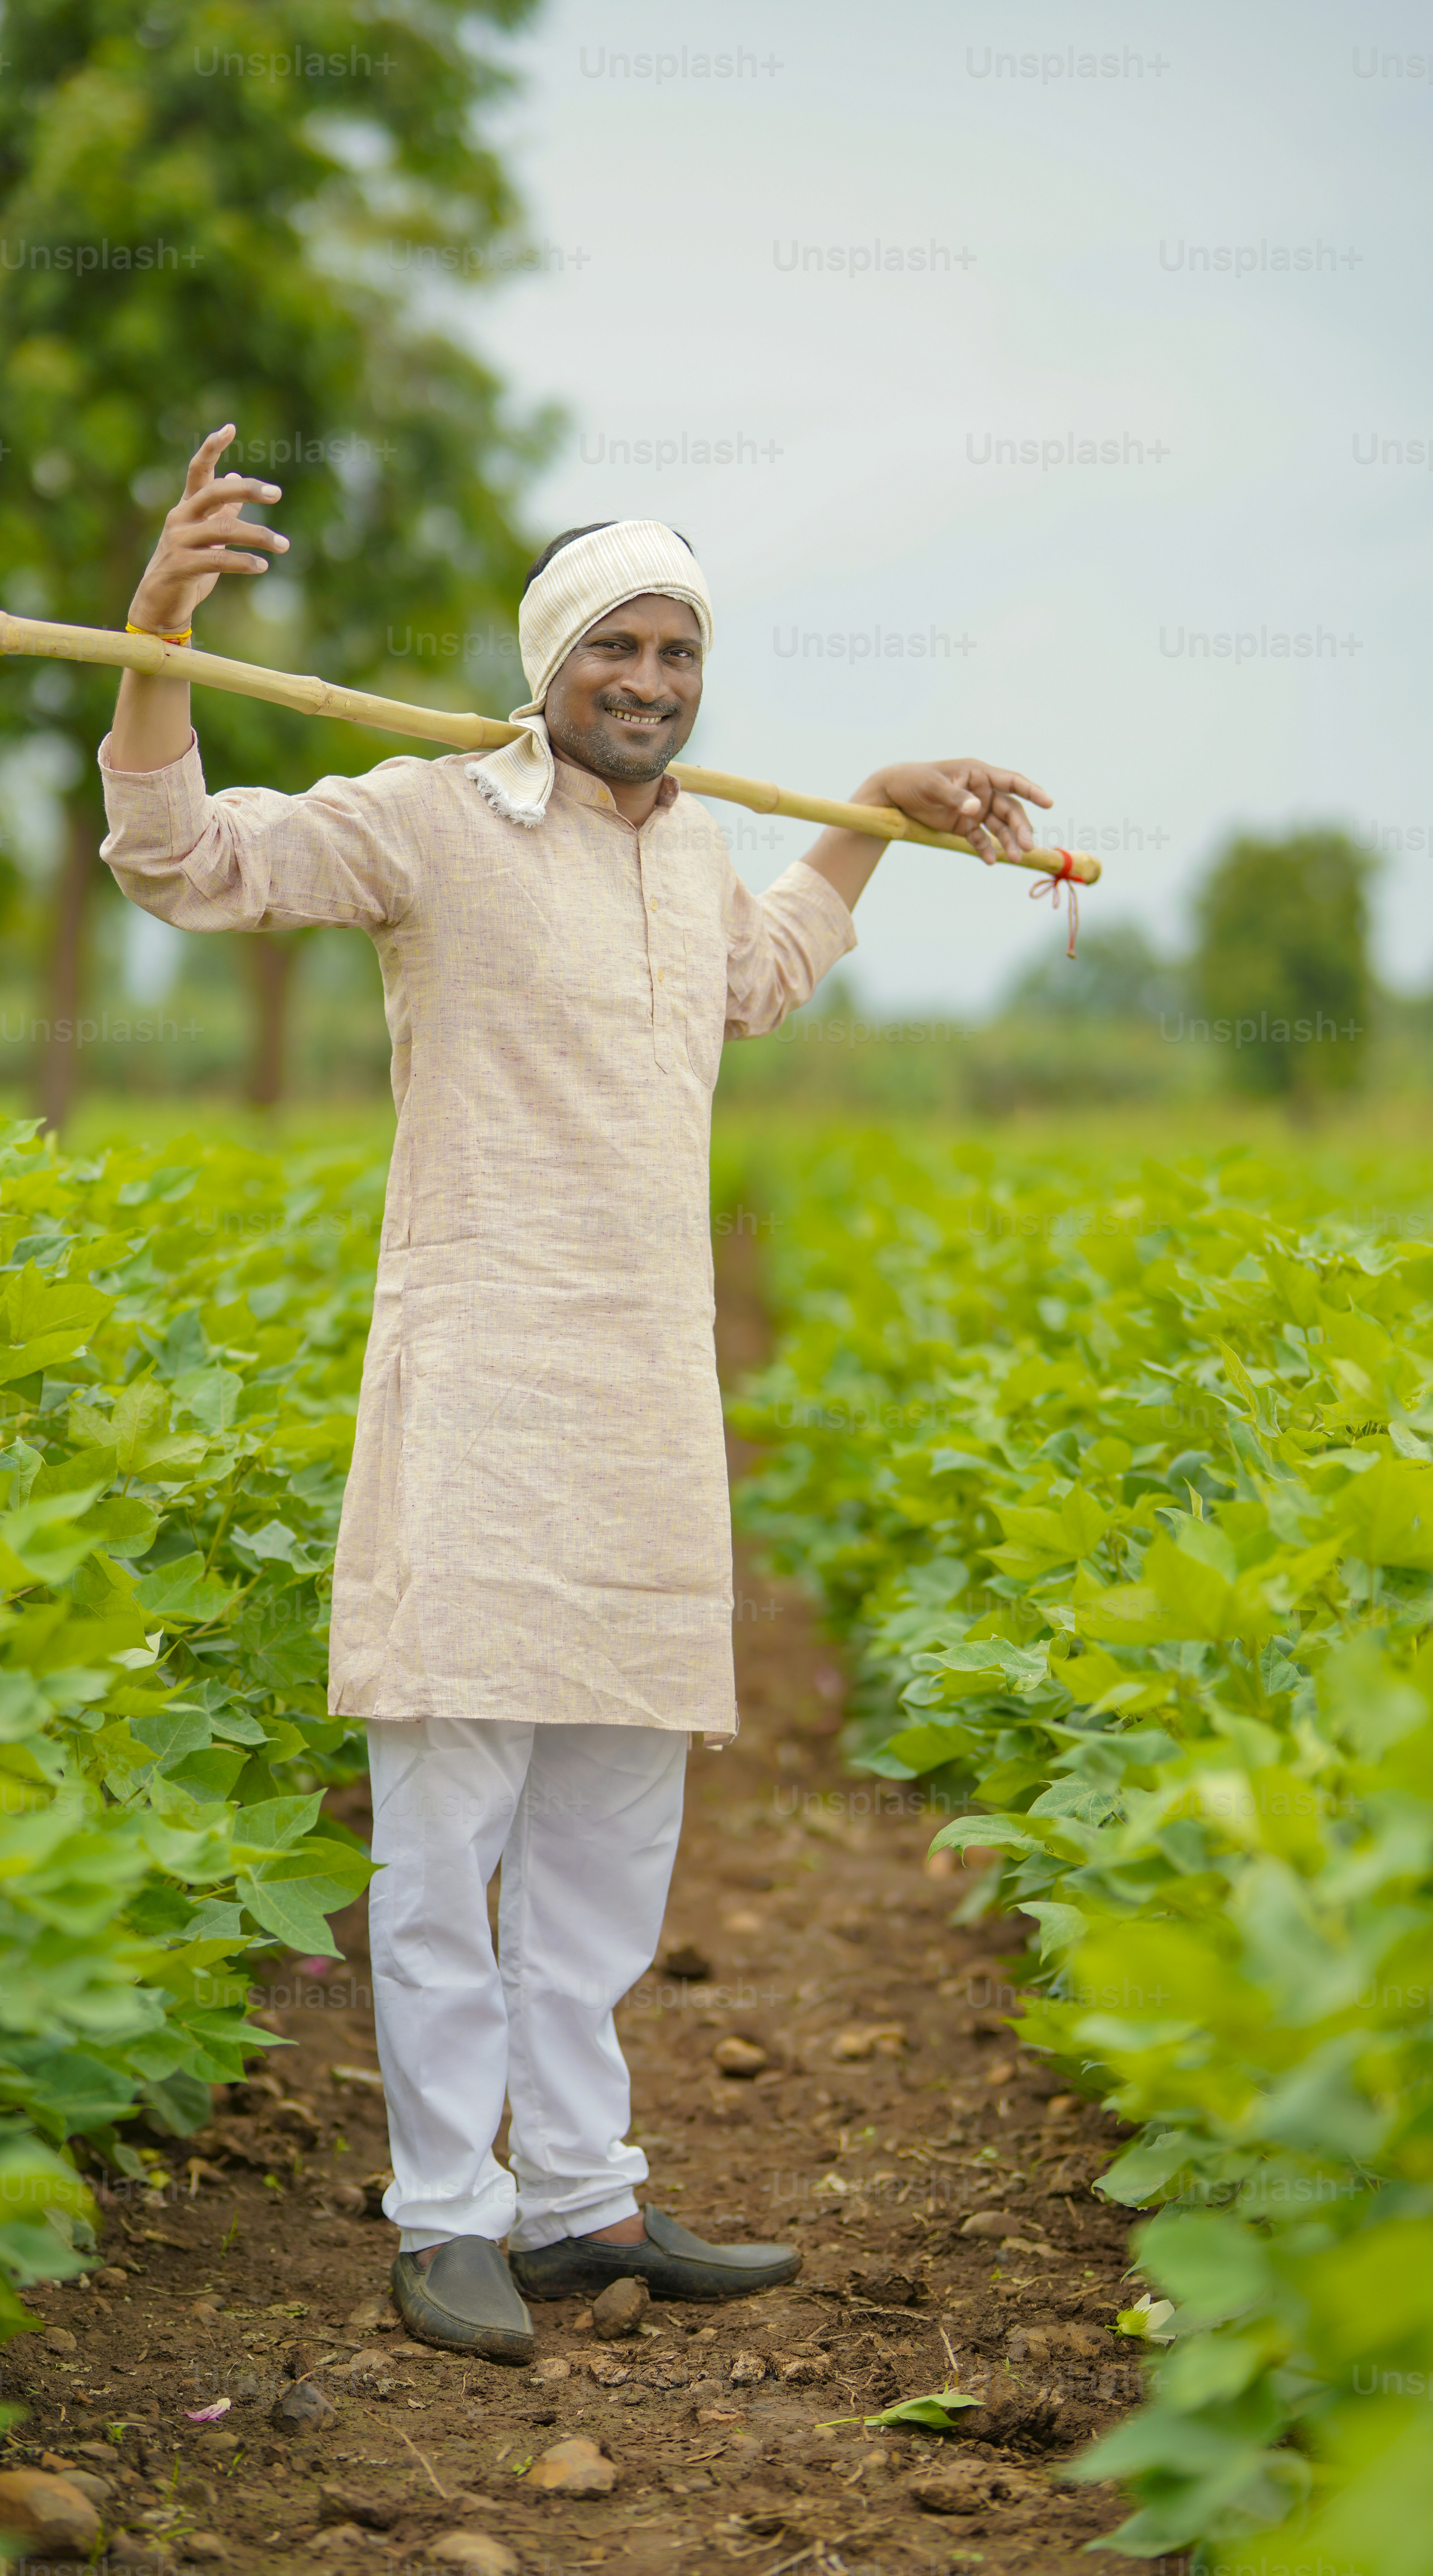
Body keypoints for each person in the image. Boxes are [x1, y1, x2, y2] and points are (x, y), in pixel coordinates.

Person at [99, 428, 1052, 2365]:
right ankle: (446, 2210)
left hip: (639, 1406)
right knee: (443, 1833)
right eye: (618, 648)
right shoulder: (433, 819)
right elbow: (183, 861)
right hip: (473, 1386)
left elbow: (770, 973)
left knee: (613, 1831)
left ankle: (580, 2195)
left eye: (680, 654)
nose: (651, 682)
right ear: (550, 663)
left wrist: (870, 801)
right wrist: (158, 637)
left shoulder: (699, 848)